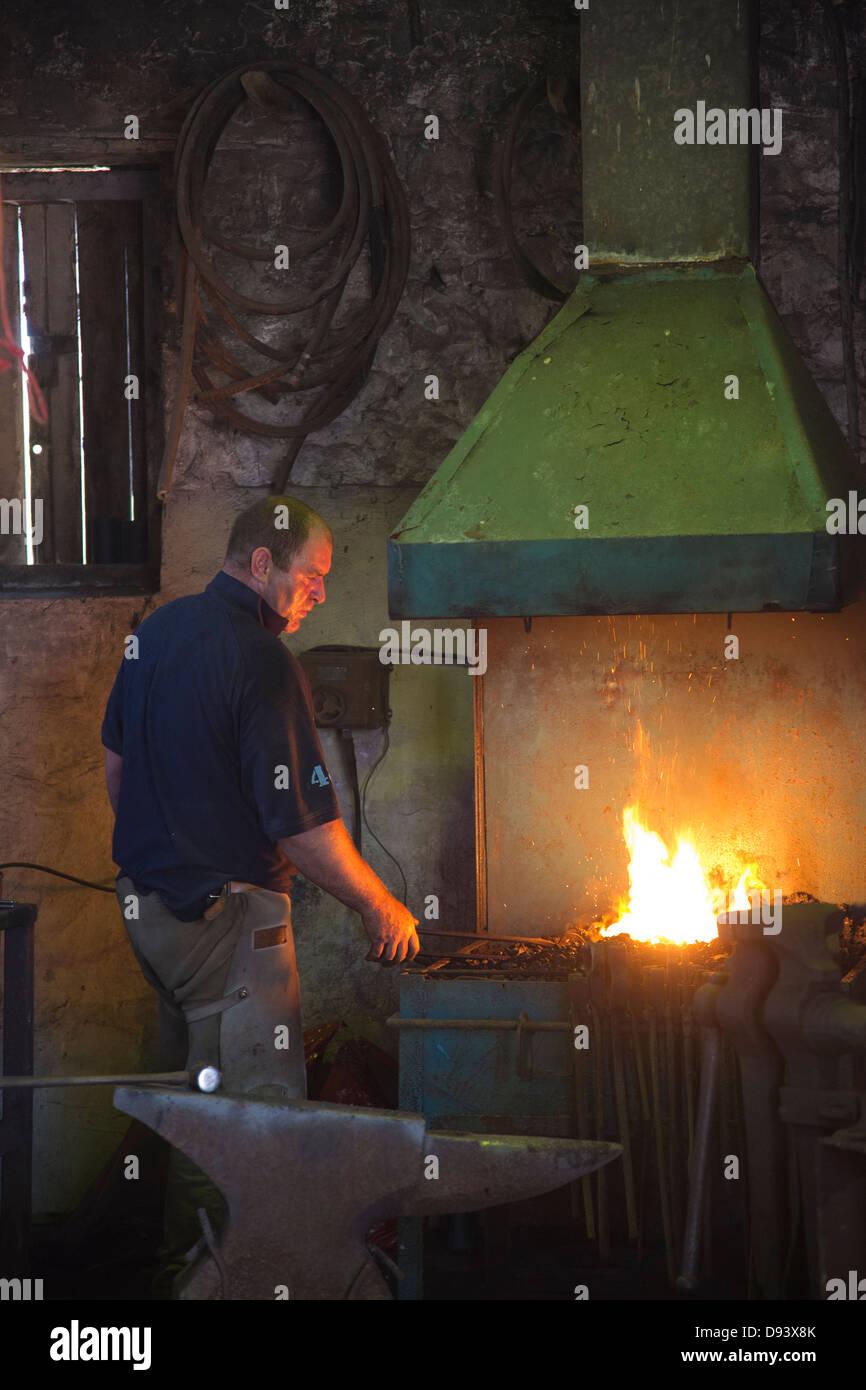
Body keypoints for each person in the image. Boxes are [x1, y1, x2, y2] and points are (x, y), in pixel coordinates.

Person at [101, 494, 419, 1295]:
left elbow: (117, 771)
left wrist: (170, 851)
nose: (318, 593)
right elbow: (307, 832)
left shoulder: (157, 634)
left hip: (149, 912)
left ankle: (190, 1272)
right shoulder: (263, 661)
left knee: (200, 1100)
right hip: (228, 923)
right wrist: (380, 904)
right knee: (248, 1124)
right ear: (261, 563)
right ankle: (214, 1284)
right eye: (311, 577)